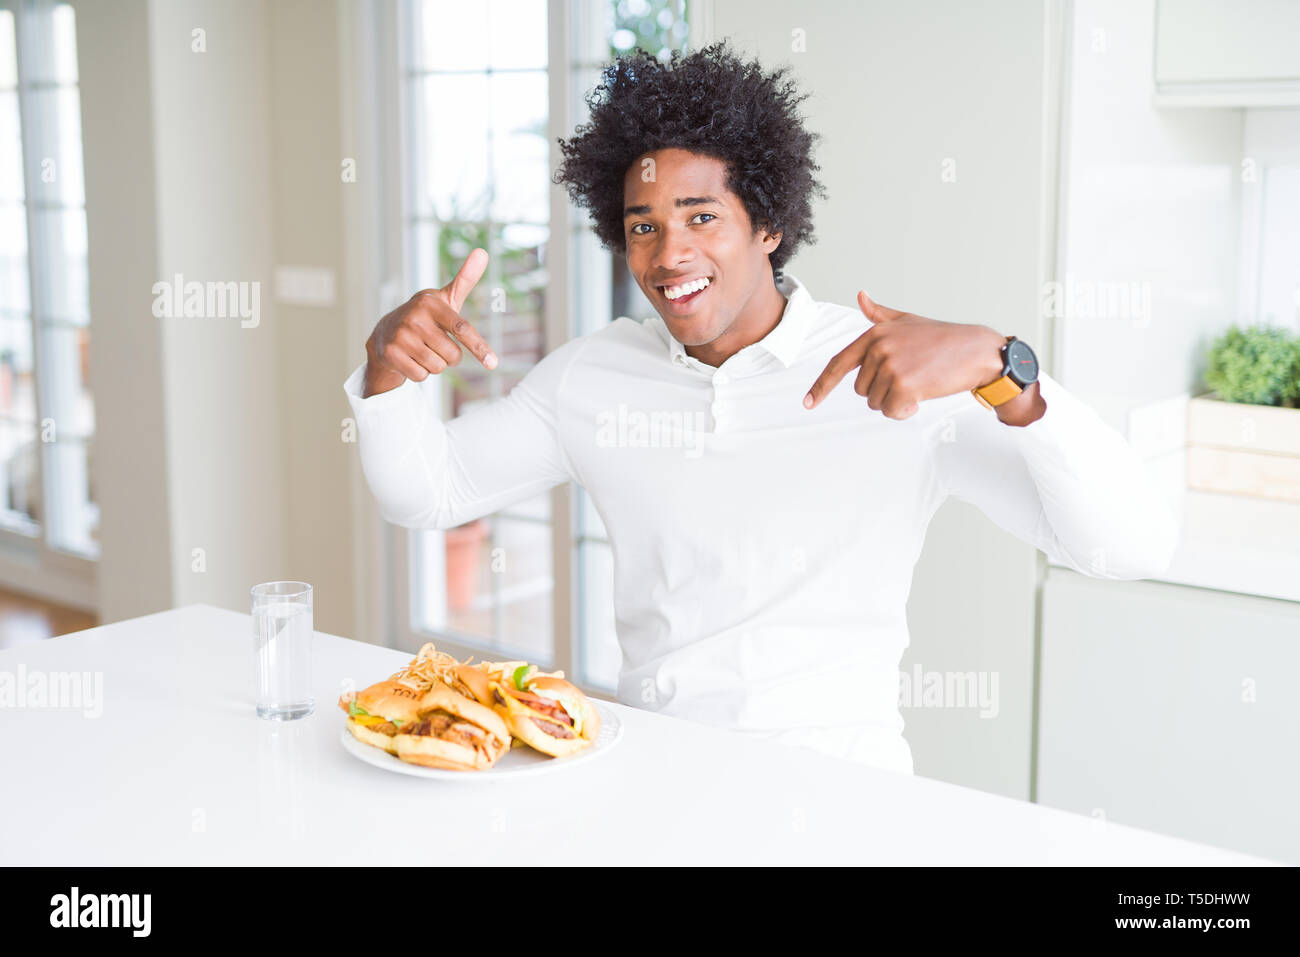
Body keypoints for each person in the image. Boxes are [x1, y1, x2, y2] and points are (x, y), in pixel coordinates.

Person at [342, 42, 1178, 776]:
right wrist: (391, 369)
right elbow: (429, 492)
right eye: (642, 226)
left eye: (702, 216)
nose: (670, 255)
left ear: (769, 224)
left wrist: (1006, 372)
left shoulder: (897, 370)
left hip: (846, 804)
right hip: (656, 788)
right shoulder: (592, 378)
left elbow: (1127, 545)